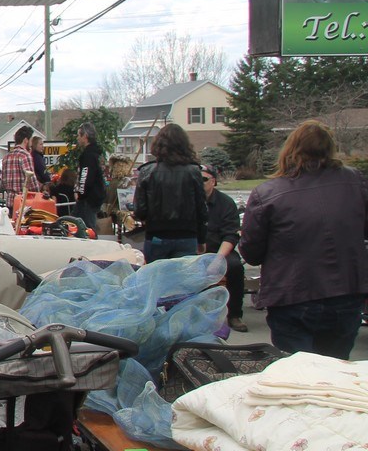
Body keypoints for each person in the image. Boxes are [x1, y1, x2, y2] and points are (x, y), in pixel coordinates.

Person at [240, 120, 368, 359]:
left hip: (293, 296)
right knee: (335, 369)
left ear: (290, 150)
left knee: (297, 372)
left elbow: (251, 252)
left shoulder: (268, 194)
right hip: (345, 293)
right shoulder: (355, 182)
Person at [133, 123, 206, 262]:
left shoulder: (147, 171)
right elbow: (201, 209)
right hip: (186, 235)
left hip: (157, 235)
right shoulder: (193, 171)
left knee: (156, 274)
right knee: (182, 275)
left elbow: (140, 210)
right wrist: (201, 238)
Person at [202, 165, 247, 333]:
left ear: (213, 181)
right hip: (195, 250)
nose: (199, 183)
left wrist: (218, 259)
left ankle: (234, 314)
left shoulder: (226, 203)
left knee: (235, 267)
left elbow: (231, 235)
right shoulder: (188, 201)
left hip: (220, 249)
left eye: (204, 179)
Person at [74, 122, 107, 233]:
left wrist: (80, 194)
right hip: (95, 196)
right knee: (77, 224)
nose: (77, 138)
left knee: (86, 229)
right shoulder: (96, 154)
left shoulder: (88, 156)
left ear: (85, 136)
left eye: (79, 135)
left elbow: (85, 177)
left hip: (88, 199)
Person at [0, 126, 41, 197]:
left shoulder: (6, 157)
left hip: (10, 199)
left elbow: (3, 182)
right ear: (26, 140)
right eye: (31, 140)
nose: (31, 144)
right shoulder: (25, 155)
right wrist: (38, 192)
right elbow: (31, 180)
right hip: (23, 199)